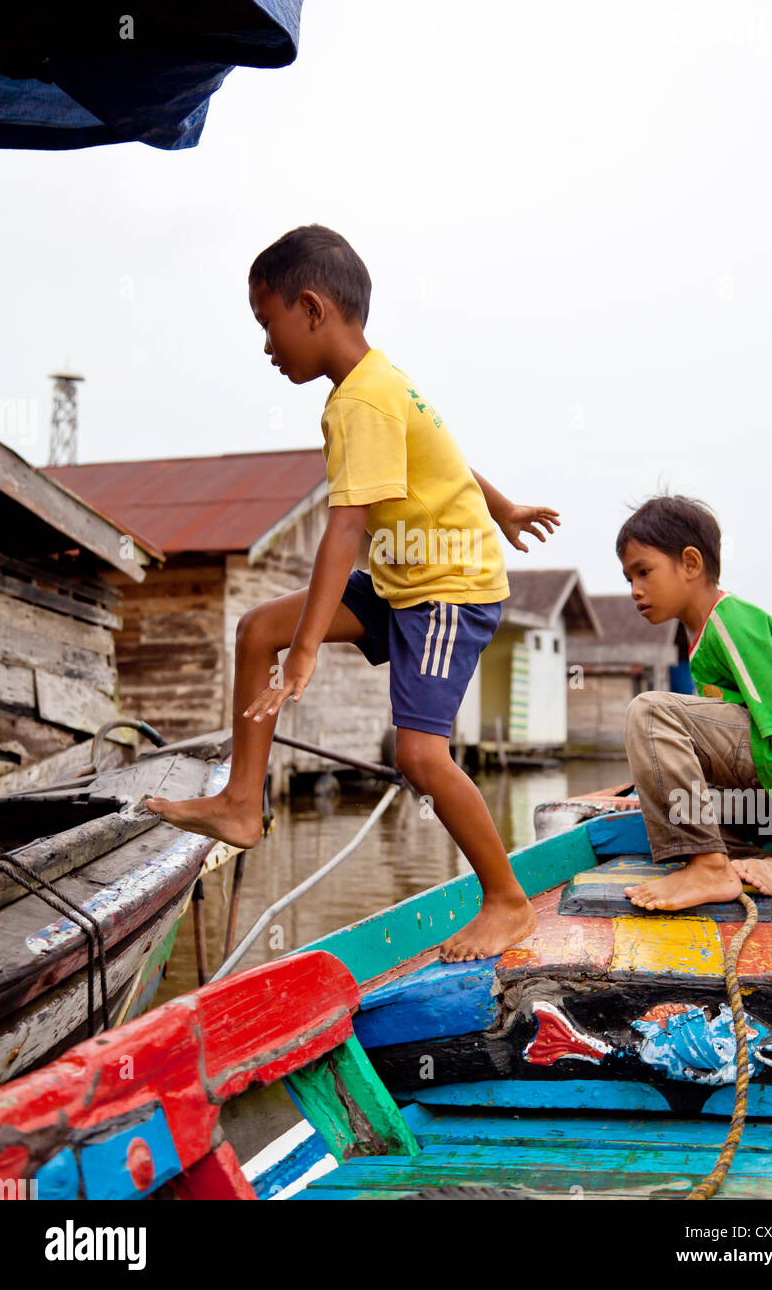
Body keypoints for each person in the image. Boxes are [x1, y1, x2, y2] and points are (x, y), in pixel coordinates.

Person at [147, 224, 559, 961]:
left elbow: (343, 530)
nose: (267, 346)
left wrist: (307, 652)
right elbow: (444, 454)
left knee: (421, 756)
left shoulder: (363, 400)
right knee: (255, 629)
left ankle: (505, 899)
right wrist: (501, 505)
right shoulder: (376, 384)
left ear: (310, 309)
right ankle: (244, 803)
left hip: (447, 590)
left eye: (267, 323)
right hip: (406, 578)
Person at [615, 495, 772, 911]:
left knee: (651, 712)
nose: (635, 590)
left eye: (644, 572)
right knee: (663, 801)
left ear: (690, 564)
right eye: (628, 579)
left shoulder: (730, 622)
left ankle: (709, 867)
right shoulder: (699, 640)